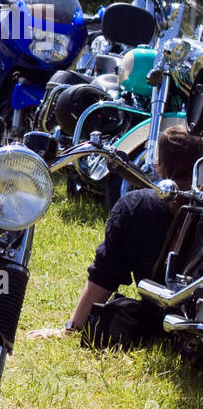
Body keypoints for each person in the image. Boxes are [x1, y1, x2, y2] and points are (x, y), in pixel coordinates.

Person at [29, 126, 203, 345]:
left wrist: (72, 329)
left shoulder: (135, 206)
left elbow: (104, 274)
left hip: (163, 325)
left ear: (159, 168)